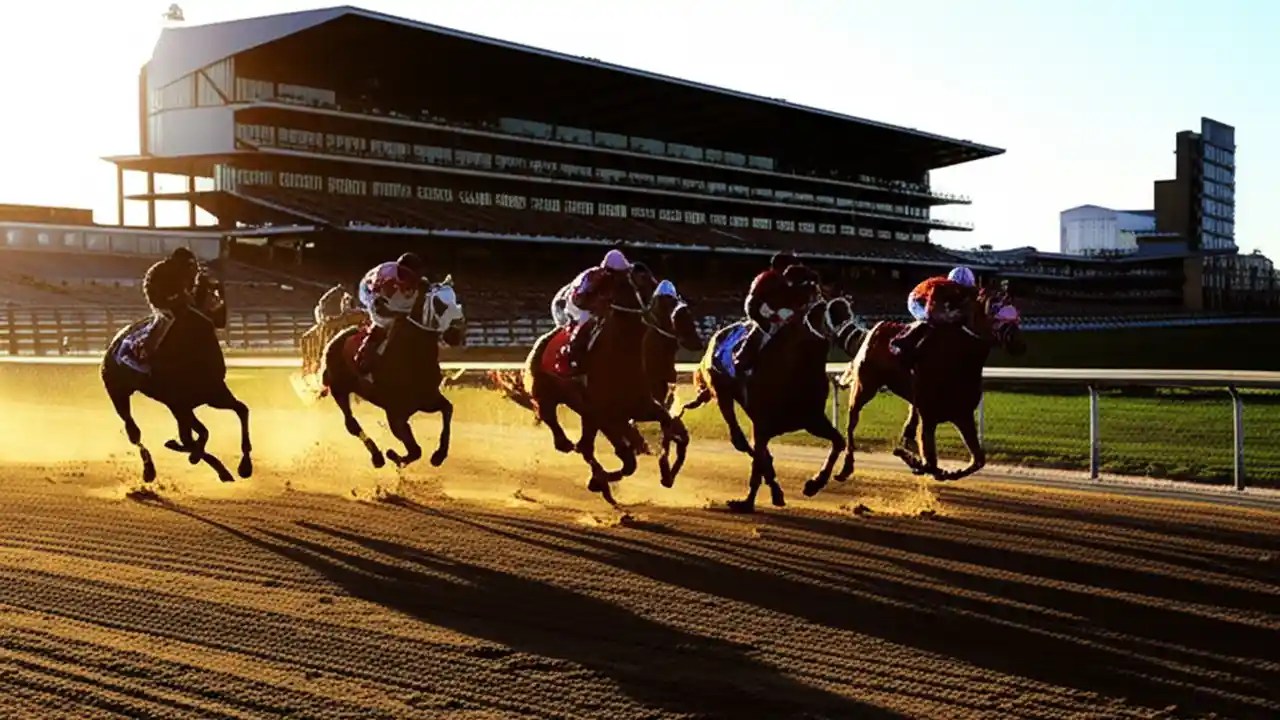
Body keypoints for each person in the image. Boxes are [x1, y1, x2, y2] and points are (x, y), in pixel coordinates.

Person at [732, 250, 811, 376]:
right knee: (768, 330)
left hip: (770, 308)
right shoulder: (770, 278)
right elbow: (763, 302)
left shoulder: (781, 278)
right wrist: (775, 315)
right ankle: (742, 358)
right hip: (758, 308)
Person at [353, 252, 429, 379]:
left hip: (397, 303)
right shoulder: (383, 277)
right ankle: (364, 356)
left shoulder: (422, 284)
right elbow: (379, 308)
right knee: (384, 325)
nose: (407, 279)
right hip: (371, 294)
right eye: (404, 274)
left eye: (411, 276)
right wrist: (397, 315)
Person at [889, 265, 980, 365]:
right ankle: (902, 341)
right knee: (928, 319)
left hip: (934, 300)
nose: (963, 292)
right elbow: (931, 311)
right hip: (917, 301)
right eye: (961, 288)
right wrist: (947, 316)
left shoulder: (957, 290)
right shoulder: (940, 287)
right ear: (953, 284)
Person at [563, 248, 634, 375]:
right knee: (586, 322)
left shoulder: (617, 281)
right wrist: (596, 308)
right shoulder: (593, 277)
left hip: (597, 308)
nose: (623, 277)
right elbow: (579, 299)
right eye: (620, 273)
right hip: (579, 307)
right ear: (610, 271)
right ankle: (573, 356)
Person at [135, 246, 202, 365]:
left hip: (171, 296)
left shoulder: (187, 273)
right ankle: (146, 350)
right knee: (167, 319)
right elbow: (156, 292)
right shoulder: (163, 271)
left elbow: (189, 294)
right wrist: (173, 299)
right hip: (160, 297)